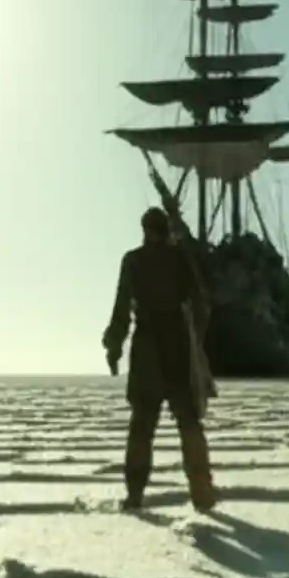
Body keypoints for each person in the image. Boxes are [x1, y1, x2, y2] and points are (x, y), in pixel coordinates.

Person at [102, 206, 217, 512]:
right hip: (177, 345)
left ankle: (135, 495)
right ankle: (202, 492)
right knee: (188, 423)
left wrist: (114, 348)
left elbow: (121, 310)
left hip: (147, 348)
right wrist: (197, 344)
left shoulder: (134, 261)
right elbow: (201, 305)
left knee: (142, 425)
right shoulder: (180, 259)